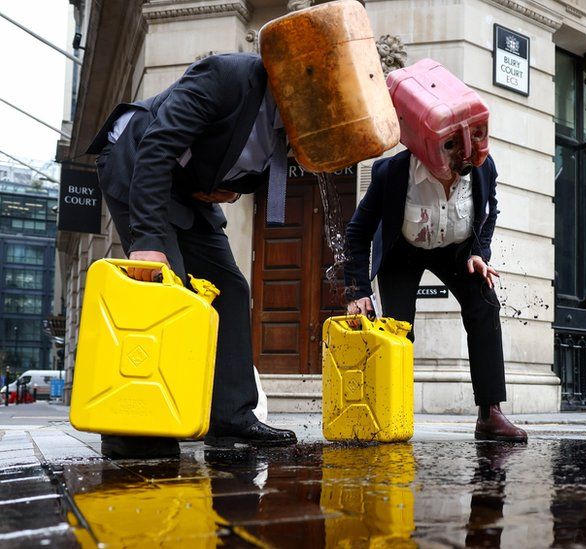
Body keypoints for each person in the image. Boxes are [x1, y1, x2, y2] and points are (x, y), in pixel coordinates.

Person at [85, 52, 297, 458]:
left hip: (187, 188)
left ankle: (231, 418)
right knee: (169, 289)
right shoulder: (226, 75)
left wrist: (231, 189)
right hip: (137, 159)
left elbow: (242, 167)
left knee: (231, 288)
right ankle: (135, 427)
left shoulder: (291, 124)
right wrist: (147, 238)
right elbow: (158, 144)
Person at [343, 148, 527, 442]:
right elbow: (356, 232)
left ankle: (489, 413)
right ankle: (390, 413)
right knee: (397, 331)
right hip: (401, 252)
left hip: (457, 252)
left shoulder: (483, 167)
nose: (458, 170)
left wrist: (480, 253)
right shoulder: (391, 172)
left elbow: (489, 211)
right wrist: (358, 292)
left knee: (485, 302)